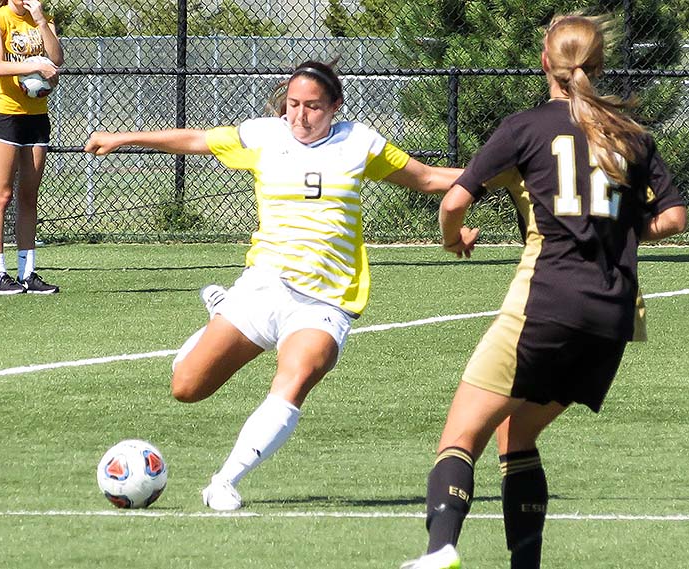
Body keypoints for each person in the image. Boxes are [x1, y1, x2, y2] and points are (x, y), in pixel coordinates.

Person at [84, 61, 464, 511]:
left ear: (335, 107)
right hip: (263, 287)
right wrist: (124, 138)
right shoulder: (263, 136)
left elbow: (427, 178)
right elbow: (196, 139)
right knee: (186, 387)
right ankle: (220, 314)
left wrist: (509, 169)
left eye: (313, 107)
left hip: (325, 300)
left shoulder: (360, 143)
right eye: (293, 104)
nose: (300, 116)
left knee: (298, 374)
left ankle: (224, 482)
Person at [401, 15, 688, 569]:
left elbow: (454, 201)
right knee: (518, 435)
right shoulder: (632, 134)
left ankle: (441, 549)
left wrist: (452, 239)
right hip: (614, 316)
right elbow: (673, 217)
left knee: (460, 435)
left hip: (547, 300)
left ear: (544, 64)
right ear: (599, 66)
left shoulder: (525, 127)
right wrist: (618, 231)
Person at [0, 0, 63, 295]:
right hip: (6, 115)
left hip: (37, 116)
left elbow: (57, 59)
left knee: (29, 196)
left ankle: (27, 274)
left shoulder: (44, 19)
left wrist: (41, 21)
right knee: (2, 195)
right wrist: (35, 65)